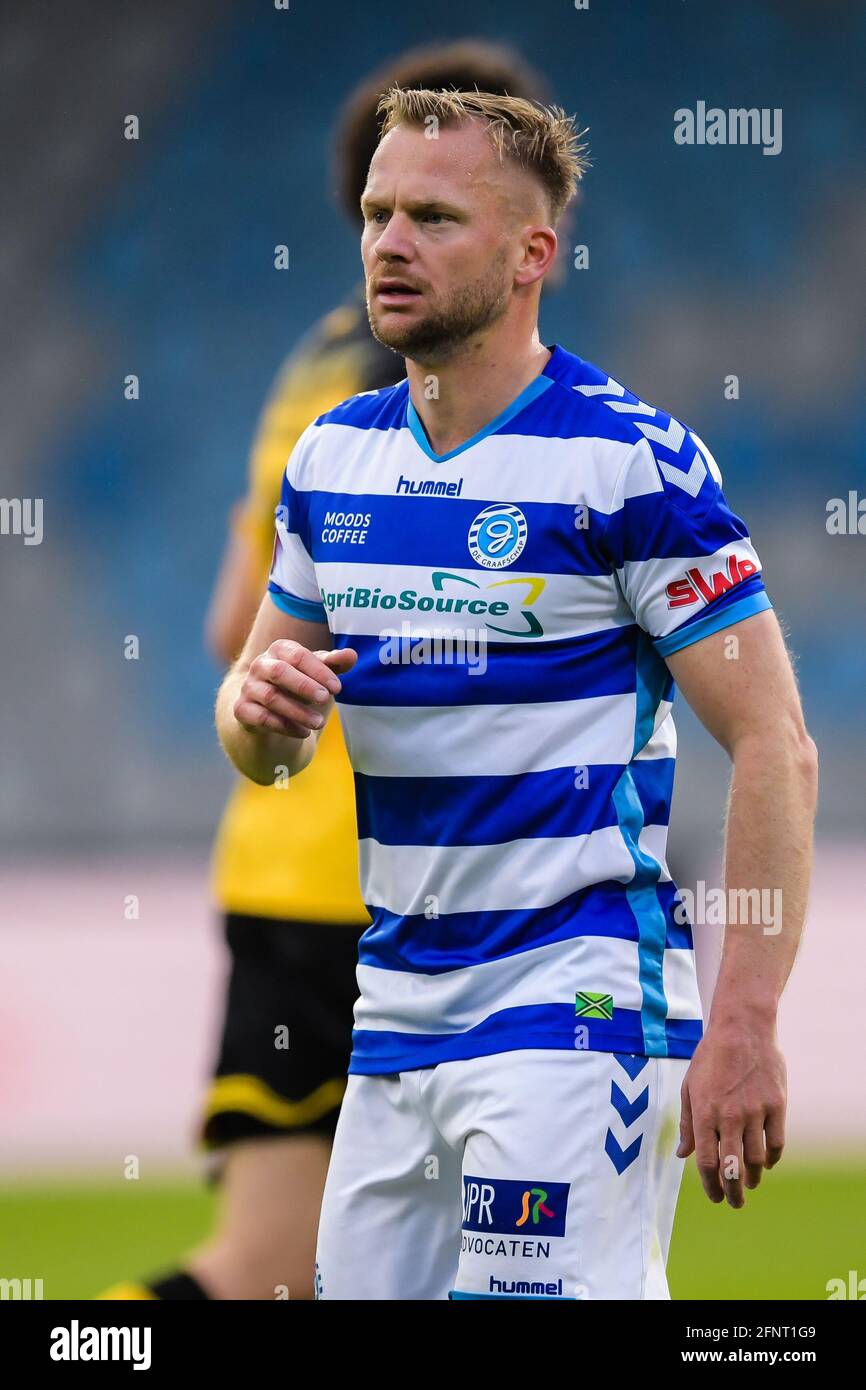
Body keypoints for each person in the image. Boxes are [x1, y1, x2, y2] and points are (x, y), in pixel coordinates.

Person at [215, 88, 818, 1300]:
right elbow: (258, 733)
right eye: (379, 213)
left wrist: (743, 1019)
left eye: (432, 217)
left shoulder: (628, 463)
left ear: (530, 254)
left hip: (573, 998)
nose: (388, 243)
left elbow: (772, 743)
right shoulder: (331, 460)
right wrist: (261, 716)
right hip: (391, 1011)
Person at [99, 44, 554, 1303]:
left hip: (291, 860)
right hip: (374, 882)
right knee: (279, 1275)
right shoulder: (411, 389)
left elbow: (229, 626)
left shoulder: (313, 360)